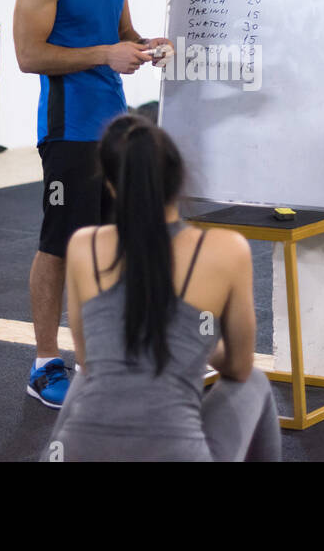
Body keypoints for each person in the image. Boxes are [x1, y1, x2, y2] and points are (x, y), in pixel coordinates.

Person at [13, 0, 172, 408]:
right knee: (60, 245)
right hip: (68, 132)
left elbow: (121, 32)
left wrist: (150, 46)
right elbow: (29, 55)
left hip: (114, 130)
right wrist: (105, 53)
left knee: (108, 242)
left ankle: (98, 358)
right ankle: (43, 363)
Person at [43, 115, 281, 461]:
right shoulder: (228, 249)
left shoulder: (84, 246)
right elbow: (239, 367)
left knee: (85, 381)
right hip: (173, 451)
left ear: (110, 185)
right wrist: (196, 344)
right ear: (179, 177)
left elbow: (88, 359)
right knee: (255, 382)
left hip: (81, 449)